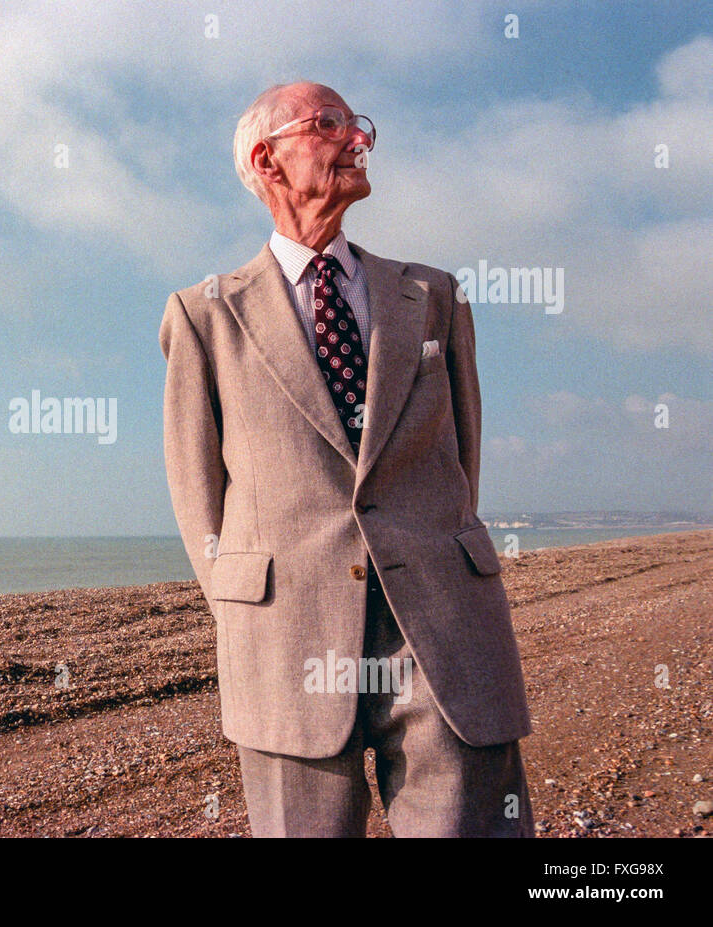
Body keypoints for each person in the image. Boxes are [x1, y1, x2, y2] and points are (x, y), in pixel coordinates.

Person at [158, 81, 533, 837]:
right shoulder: (204, 314)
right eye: (330, 124)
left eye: (359, 125)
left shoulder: (434, 295)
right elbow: (200, 499)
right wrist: (249, 614)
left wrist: (429, 551)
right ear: (267, 158)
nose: (358, 140)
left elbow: (460, 460)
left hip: (444, 626)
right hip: (286, 642)